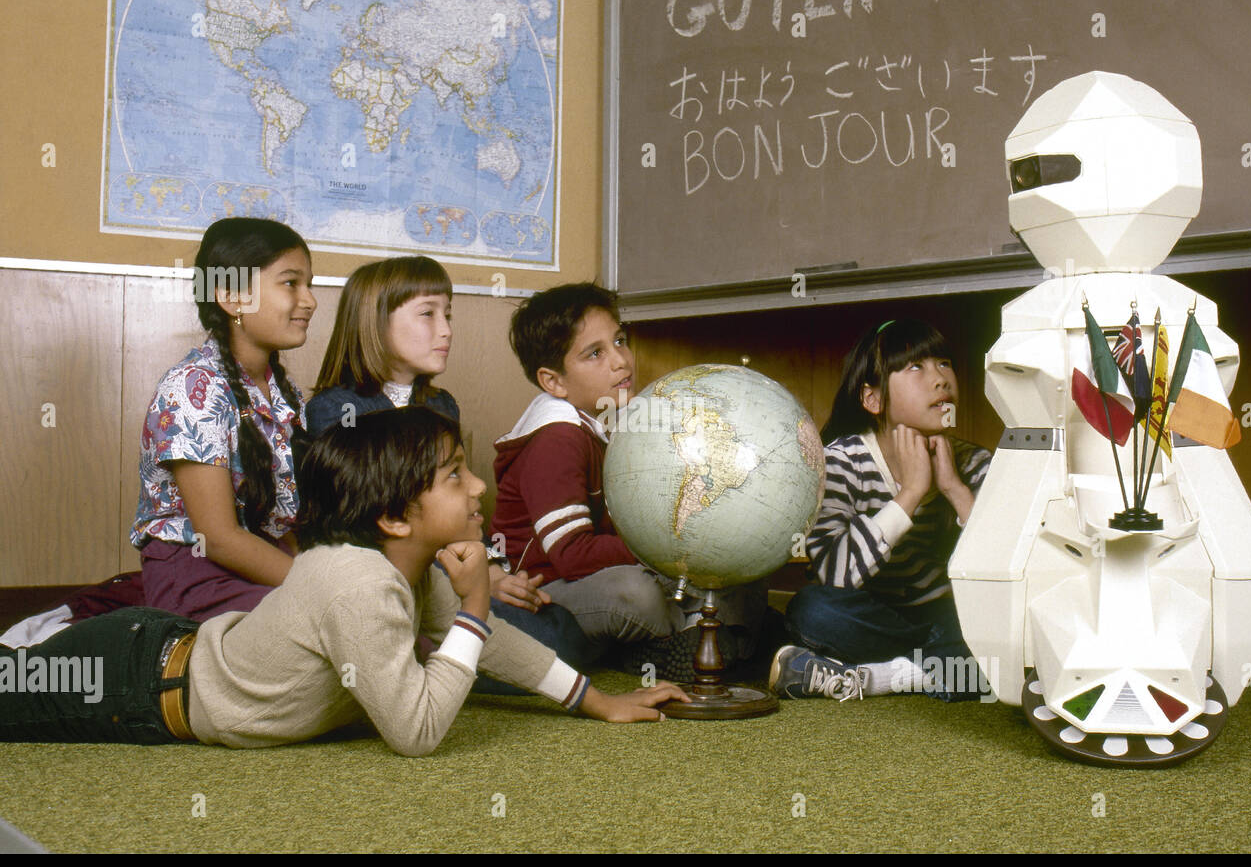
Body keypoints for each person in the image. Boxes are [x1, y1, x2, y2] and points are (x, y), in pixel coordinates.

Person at [0, 407, 688, 752]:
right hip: (140, 679)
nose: (478, 486)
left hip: (174, 648)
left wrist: (594, 699)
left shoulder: (410, 568)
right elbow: (416, 730)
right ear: (393, 515)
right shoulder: (356, 581)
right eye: (455, 476)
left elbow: (496, 647)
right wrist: (477, 607)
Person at [305, 257, 597, 677]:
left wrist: (490, 569)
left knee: (562, 633)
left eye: (448, 314)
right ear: (374, 321)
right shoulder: (336, 411)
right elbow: (368, 530)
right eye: (428, 314)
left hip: (448, 572)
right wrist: (468, 579)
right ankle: (419, 656)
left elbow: (457, 508)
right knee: (536, 645)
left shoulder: (441, 406)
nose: (445, 330)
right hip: (390, 584)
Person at [491, 283, 766, 681]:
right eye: (595, 353)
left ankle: (693, 639)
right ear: (554, 382)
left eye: (620, 340)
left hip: (609, 563)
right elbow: (571, 553)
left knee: (740, 556)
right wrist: (668, 549)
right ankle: (709, 638)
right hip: (552, 586)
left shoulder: (613, 416)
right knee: (635, 593)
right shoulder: (557, 437)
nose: (621, 360)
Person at [769, 319, 992, 702]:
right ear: (873, 399)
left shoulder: (972, 463)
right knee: (812, 611)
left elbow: (1003, 568)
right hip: (867, 614)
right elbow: (832, 574)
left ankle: (870, 677)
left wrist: (954, 489)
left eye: (944, 363)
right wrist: (910, 494)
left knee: (1008, 629)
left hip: (945, 613)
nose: (940, 379)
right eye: (916, 367)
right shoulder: (841, 463)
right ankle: (938, 669)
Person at [130, 217, 316, 621]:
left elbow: (291, 523)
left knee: (368, 613)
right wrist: (318, 587)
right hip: (197, 571)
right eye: (291, 283)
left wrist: (325, 574)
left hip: (265, 556)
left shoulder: (284, 392)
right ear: (232, 297)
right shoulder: (192, 390)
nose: (310, 300)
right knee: (324, 622)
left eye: (309, 284)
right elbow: (219, 539)